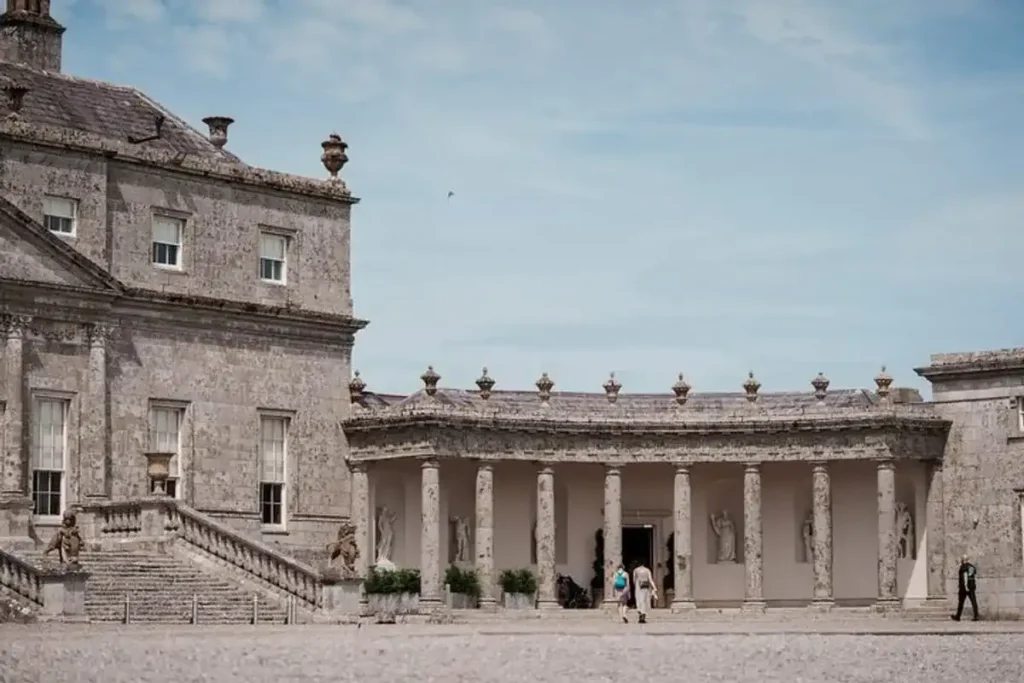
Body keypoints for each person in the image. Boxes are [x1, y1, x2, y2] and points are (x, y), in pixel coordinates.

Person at [952, 554, 980, 621]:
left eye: (962, 560)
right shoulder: (972, 567)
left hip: (964, 588)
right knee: (974, 601)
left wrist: (965, 586)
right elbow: (973, 576)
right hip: (972, 587)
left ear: (963, 560)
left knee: (961, 602)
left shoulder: (963, 567)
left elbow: (965, 576)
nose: (961, 561)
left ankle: (958, 616)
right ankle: (976, 616)